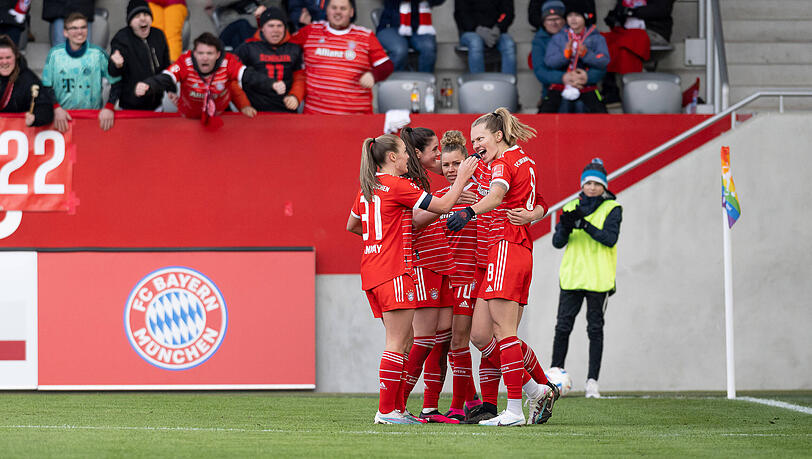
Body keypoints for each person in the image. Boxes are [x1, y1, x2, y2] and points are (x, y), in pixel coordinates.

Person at [346, 133, 477, 424]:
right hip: (394, 271)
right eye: (404, 152)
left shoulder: (368, 188)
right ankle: (386, 411)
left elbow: (353, 224)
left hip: (373, 270)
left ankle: (397, 410)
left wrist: (383, 238)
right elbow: (442, 207)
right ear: (392, 157)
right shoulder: (398, 185)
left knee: (404, 340)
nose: (408, 157)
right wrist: (460, 180)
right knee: (397, 342)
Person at [446, 108, 558, 426]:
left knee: (503, 333)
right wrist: (534, 213)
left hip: (505, 248)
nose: (475, 146)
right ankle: (536, 389)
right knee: (482, 334)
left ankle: (514, 409)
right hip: (503, 252)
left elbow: (496, 195)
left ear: (497, 136)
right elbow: (540, 199)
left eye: (479, 139)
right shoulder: (524, 160)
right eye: (472, 141)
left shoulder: (502, 163)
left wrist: (468, 211)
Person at [396, 127, 458, 424]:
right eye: (435, 148)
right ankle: (397, 406)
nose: (440, 153)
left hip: (441, 264)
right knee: (423, 339)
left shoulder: (422, 181)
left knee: (441, 337)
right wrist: (450, 198)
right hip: (423, 265)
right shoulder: (406, 182)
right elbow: (415, 222)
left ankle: (431, 408)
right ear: (418, 154)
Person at [551, 158, 622, 399]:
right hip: (572, 277)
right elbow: (557, 242)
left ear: (604, 186)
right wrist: (566, 226)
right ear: (582, 184)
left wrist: (585, 224)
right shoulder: (571, 206)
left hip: (598, 279)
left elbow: (609, 238)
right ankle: (554, 375)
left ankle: (592, 382)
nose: (591, 187)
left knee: (595, 330)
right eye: (587, 183)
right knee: (562, 328)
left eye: (596, 183)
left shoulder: (613, 208)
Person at [433, 130, 481, 422]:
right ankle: (472, 399)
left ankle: (457, 404)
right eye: (447, 165)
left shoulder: (480, 196)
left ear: (467, 162)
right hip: (445, 280)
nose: (451, 170)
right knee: (445, 343)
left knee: (459, 342)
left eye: (456, 164)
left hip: (469, 277)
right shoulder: (439, 198)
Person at [135, 32, 268, 122]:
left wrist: (244, 106)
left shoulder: (227, 62)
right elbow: (167, 78)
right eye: (201, 53)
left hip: (220, 115)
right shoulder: (185, 62)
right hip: (190, 117)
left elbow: (237, 83)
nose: (205, 57)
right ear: (195, 53)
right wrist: (149, 85)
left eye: (210, 53)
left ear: (218, 55)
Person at [290, 0, 393, 114]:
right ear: (327, 10)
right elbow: (284, 45)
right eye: (334, 8)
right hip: (315, 116)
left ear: (351, 12)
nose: (338, 12)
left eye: (343, 8)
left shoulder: (365, 36)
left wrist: (374, 75)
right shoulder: (310, 31)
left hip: (356, 117)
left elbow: (386, 65)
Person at [42, 12, 119, 133]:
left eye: (83, 27)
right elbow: (46, 86)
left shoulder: (98, 54)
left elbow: (116, 81)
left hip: (91, 120)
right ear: (65, 33)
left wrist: (109, 107)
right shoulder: (55, 55)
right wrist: (56, 108)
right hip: (63, 120)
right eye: (74, 28)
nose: (80, 31)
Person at [532, 0, 604, 113]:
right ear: (543, 22)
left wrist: (586, 77)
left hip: (584, 86)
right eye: (549, 19)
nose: (554, 23)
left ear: (565, 20)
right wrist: (563, 78)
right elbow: (541, 71)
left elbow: (601, 64)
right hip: (554, 90)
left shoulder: (588, 36)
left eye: (557, 19)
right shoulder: (539, 41)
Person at [601, 0, 675, 104]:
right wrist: (615, 17)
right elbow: (619, 11)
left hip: (652, 32)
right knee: (602, 41)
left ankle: (630, 91)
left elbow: (662, 10)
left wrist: (632, 11)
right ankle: (610, 88)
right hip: (626, 32)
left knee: (626, 44)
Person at [235, 7, 304, 112]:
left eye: (279, 26)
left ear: (285, 28)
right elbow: (233, 77)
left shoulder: (294, 48)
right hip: (255, 110)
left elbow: (300, 76)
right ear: (262, 28)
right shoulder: (248, 47)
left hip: (286, 107)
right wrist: (244, 105)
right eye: (271, 26)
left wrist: (295, 96)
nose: (275, 30)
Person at [108, 0, 172, 111]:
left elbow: (167, 68)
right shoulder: (122, 38)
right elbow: (113, 73)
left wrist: (171, 90)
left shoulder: (159, 35)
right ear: (130, 22)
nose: (143, 18)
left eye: (146, 14)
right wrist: (116, 64)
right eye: (137, 16)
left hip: (157, 106)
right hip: (130, 108)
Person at [375, 0, 444, 73]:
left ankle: (424, 82)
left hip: (419, 27)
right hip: (390, 25)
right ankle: (390, 82)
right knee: (400, 50)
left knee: (428, 48)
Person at [0, 35, 54, 126]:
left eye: (8, 57)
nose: (4, 62)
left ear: (16, 57)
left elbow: (46, 109)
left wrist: (35, 118)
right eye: (0, 58)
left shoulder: (28, 79)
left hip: (19, 135)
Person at [453, 0, 516, 75]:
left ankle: (508, 84)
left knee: (509, 44)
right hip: (470, 31)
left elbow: (507, 12)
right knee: (476, 42)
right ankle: (478, 84)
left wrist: (498, 27)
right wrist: (477, 29)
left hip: (496, 32)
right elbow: (461, 13)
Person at [528, 0, 595, 30]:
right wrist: (550, 24)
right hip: (549, 36)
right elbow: (533, 17)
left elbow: (592, 17)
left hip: (578, 35)